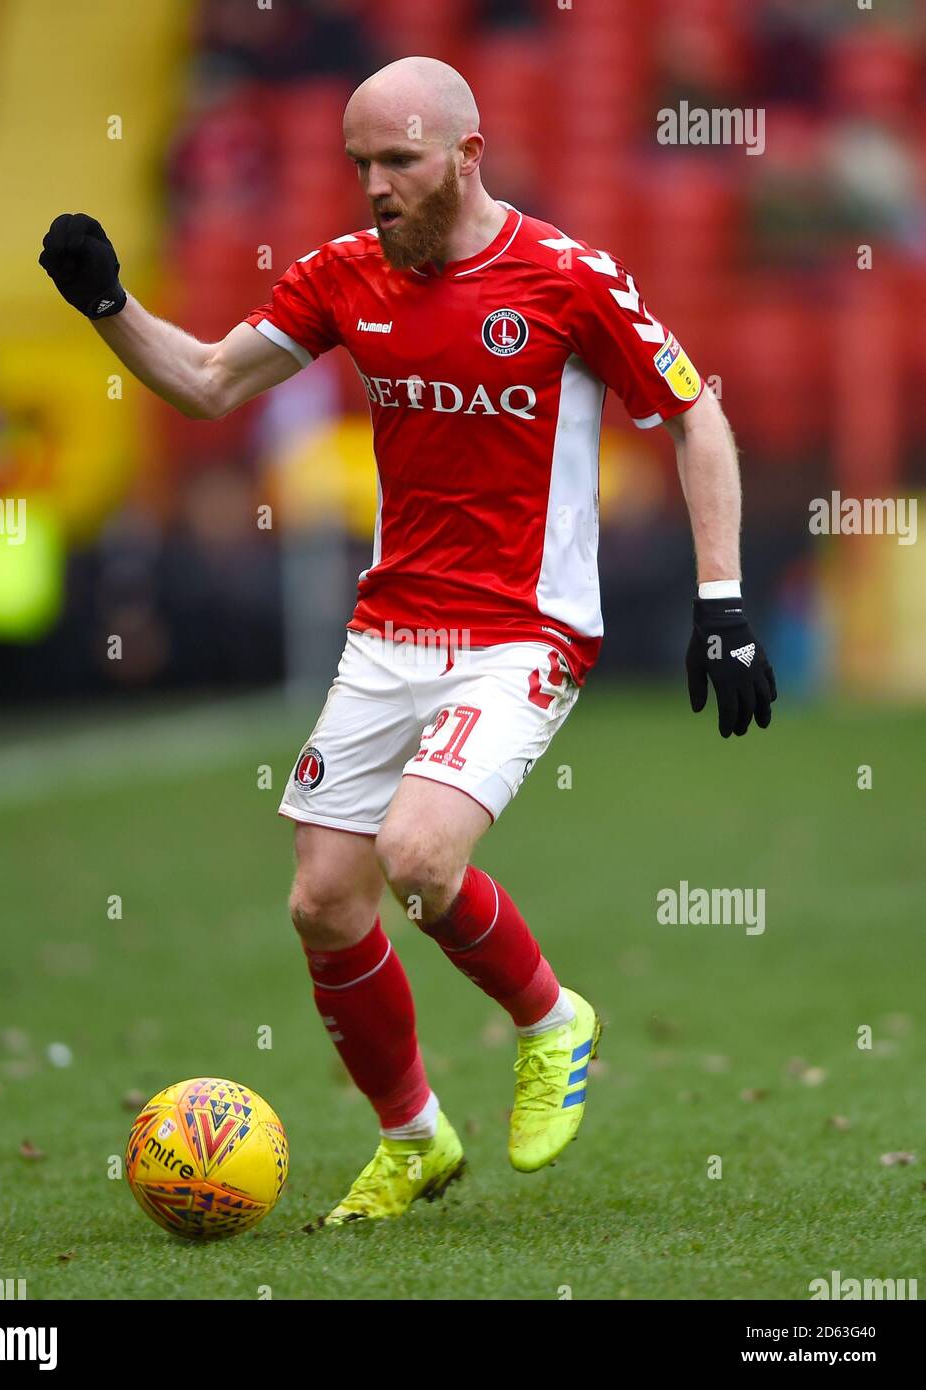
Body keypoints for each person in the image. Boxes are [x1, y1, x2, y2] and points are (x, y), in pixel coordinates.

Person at [39, 55, 776, 1229]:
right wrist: (109, 306)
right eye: (360, 164)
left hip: (522, 631)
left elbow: (696, 411)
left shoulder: (565, 277)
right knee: (326, 901)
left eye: (399, 161)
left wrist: (724, 600)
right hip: (390, 628)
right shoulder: (343, 277)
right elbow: (213, 383)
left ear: (466, 155)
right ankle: (414, 1136)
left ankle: (551, 1023)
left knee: (420, 857)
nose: (375, 185)